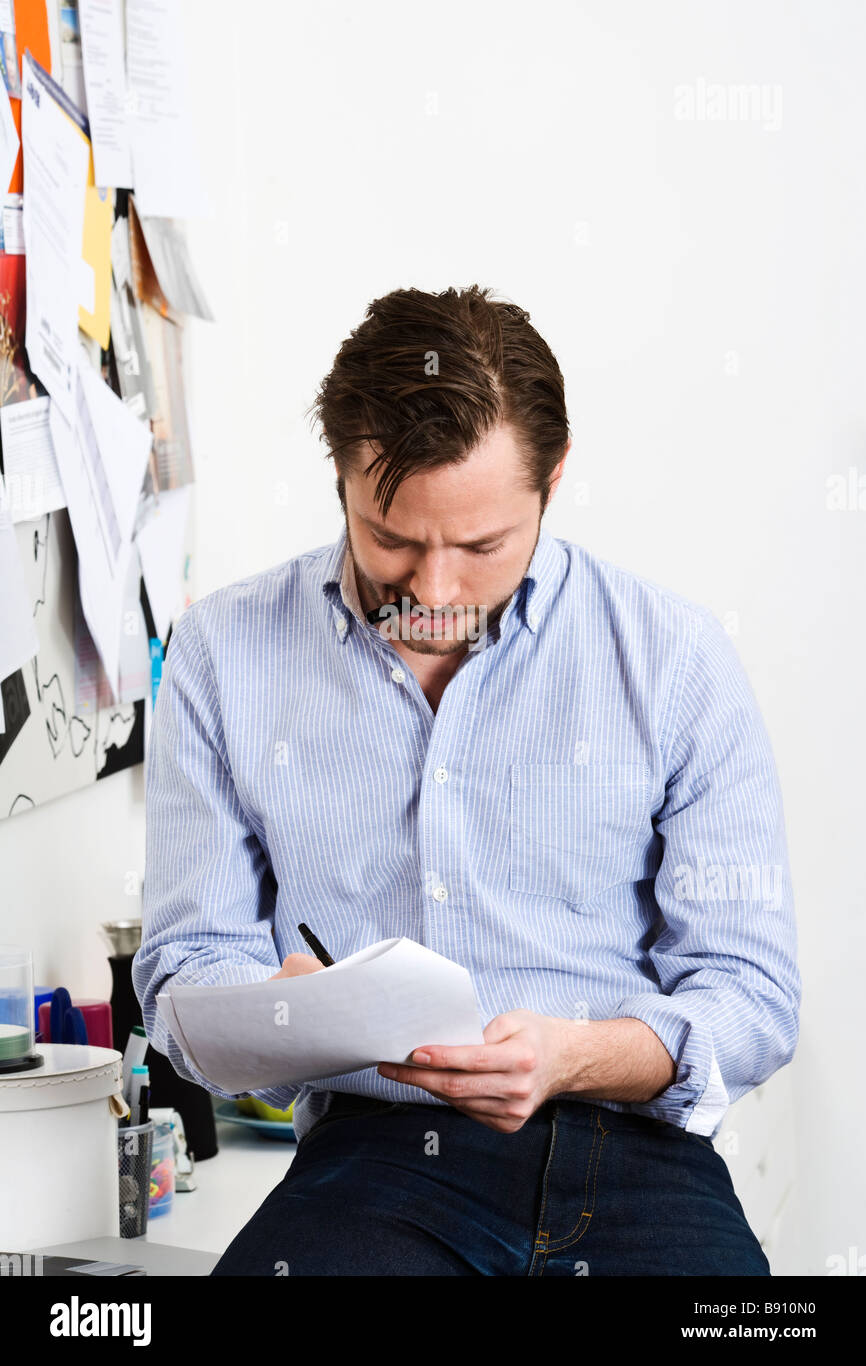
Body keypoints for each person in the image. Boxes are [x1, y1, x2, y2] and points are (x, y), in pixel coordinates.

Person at [133, 285, 800, 1276]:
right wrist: (284, 1013)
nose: (433, 594)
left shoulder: (672, 659)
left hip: (638, 1156)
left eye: (481, 546)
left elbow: (751, 993)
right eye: (392, 539)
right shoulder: (225, 653)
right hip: (374, 1156)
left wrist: (574, 1053)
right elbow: (185, 976)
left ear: (552, 481)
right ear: (341, 481)